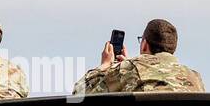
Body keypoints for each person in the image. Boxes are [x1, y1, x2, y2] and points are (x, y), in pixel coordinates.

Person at [74, 18, 203, 95]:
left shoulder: (132, 68)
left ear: (145, 44)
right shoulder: (196, 77)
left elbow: (79, 94)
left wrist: (105, 66)